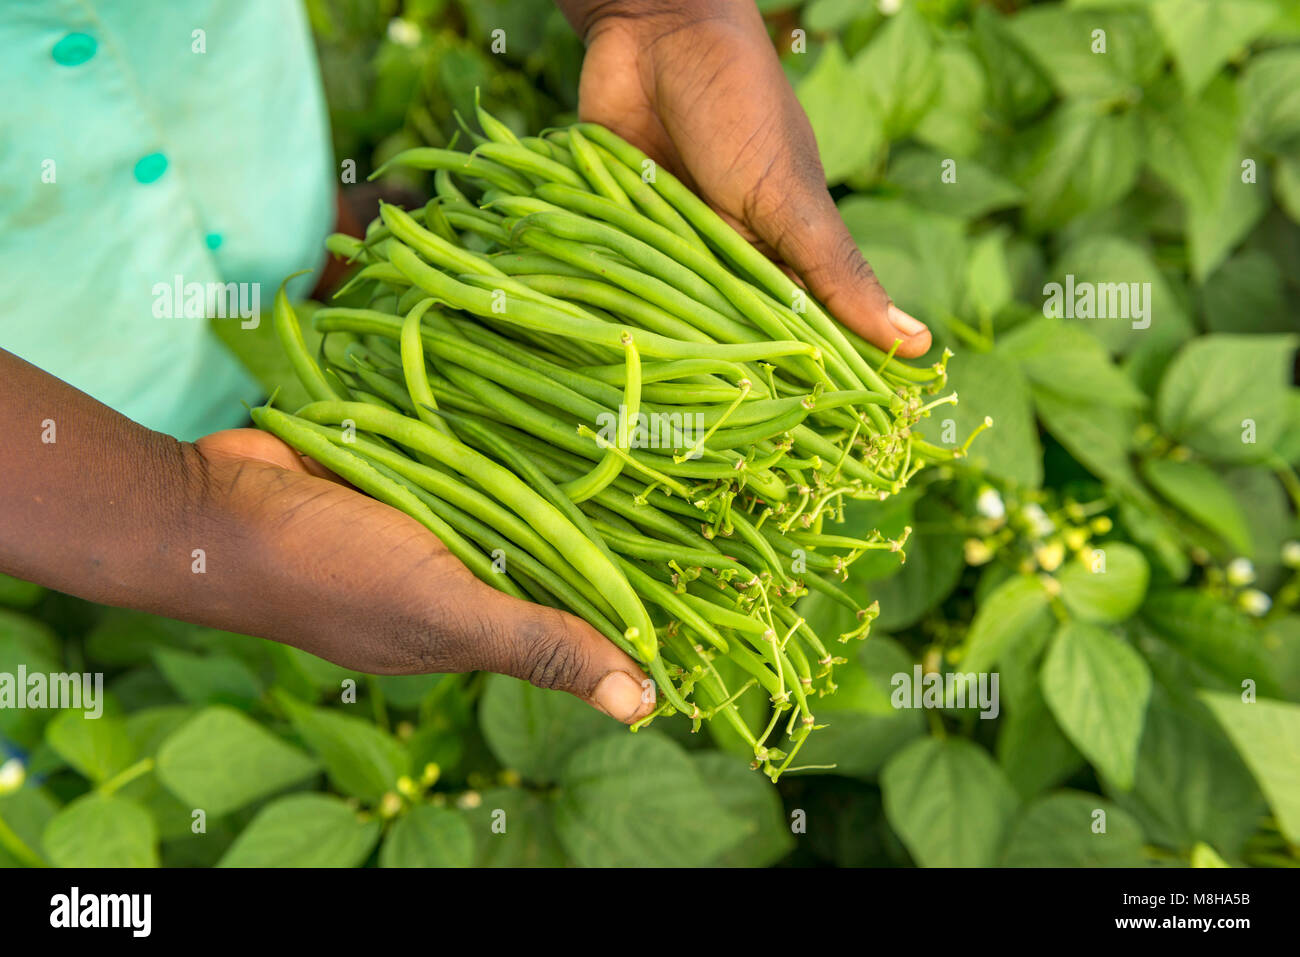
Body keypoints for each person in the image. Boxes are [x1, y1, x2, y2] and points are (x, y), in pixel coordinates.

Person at [0, 0, 929, 726]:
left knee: (280, 201)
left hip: (211, 72)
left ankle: (336, 251)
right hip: (54, 401)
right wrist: (176, 513)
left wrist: (661, 14)